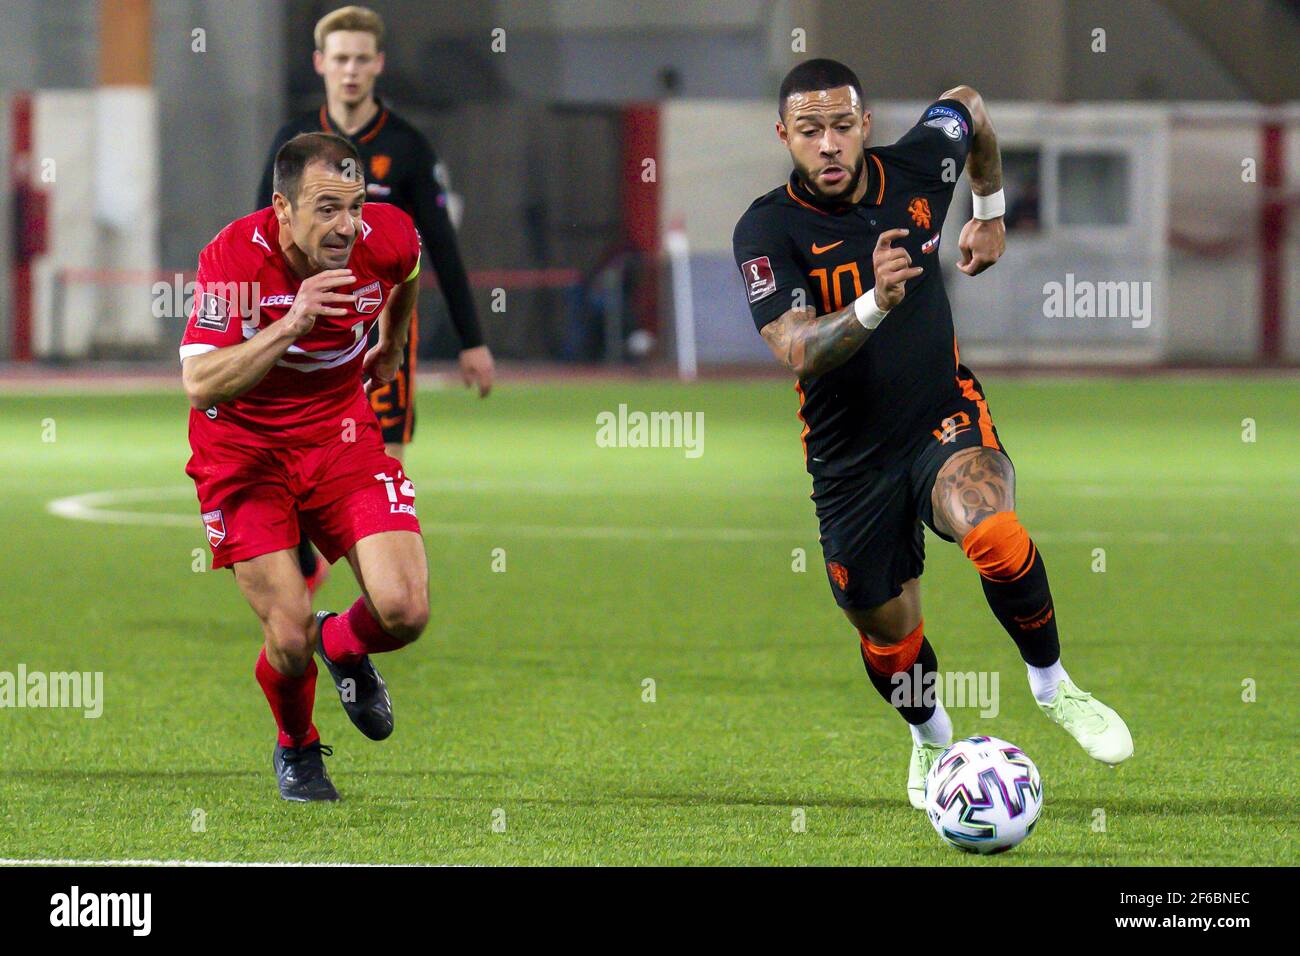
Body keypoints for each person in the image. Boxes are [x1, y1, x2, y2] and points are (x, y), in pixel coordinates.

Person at [732, 59, 1132, 808]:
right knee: (888, 634)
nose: (828, 145)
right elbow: (795, 348)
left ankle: (1054, 687)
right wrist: (873, 303)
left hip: (939, 417)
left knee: (995, 531)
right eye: (810, 131)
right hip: (849, 460)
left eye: (842, 126)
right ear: (784, 135)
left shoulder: (919, 166)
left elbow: (968, 105)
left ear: (867, 125)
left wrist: (989, 208)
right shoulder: (766, 228)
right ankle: (931, 739)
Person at [183, 132, 430, 801]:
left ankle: (345, 643)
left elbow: (408, 268)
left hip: (340, 437)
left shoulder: (386, 236)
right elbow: (202, 383)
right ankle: (297, 747)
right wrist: (291, 323)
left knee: (405, 611)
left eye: (354, 206)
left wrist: (393, 341)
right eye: (326, 208)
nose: (347, 226)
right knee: (288, 634)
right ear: (283, 208)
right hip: (242, 454)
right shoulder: (233, 258)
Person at [256, 5, 494, 590]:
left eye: (362, 58)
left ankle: (380, 595)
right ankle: (307, 555)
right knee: (292, 444)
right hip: (302, 326)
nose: (351, 70)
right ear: (320, 64)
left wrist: (473, 342)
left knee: (380, 456)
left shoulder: (408, 148)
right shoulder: (292, 140)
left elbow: (440, 246)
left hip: (381, 329)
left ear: (379, 63)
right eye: (340, 58)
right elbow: (258, 233)